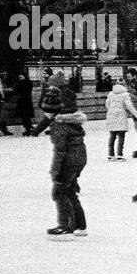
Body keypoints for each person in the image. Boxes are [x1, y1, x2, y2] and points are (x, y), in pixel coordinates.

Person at [48, 87, 88, 239]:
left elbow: (60, 151)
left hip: (69, 161)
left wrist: (55, 171)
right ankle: (80, 225)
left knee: (59, 191)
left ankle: (65, 226)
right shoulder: (73, 120)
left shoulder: (58, 123)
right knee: (70, 190)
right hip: (80, 158)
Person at [103, 81, 137, 161]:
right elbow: (129, 107)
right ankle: (119, 154)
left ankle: (111, 154)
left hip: (111, 115)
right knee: (121, 136)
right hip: (121, 116)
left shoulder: (110, 94)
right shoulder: (125, 95)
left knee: (112, 136)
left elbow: (107, 104)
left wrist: (112, 110)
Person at [33, 69, 64, 136]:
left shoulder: (49, 82)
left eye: (45, 73)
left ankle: (37, 130)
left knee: (50, 117)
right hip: (54, 103)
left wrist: (40, 102)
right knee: (50, 117)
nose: (43, 74)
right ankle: (36, 131)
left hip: (51, 103)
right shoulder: (53, 82)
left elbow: (44, 94)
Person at [12, 68, 35, 135]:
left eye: (21, 77)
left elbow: (16, 91)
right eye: (19, 77)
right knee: (26, 116)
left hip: (23, 102)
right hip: (27, 101)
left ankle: (28, 129)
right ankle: (29, 127)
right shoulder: (29, 82)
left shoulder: (21, 83)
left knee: (25, 116)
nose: (20, 78)